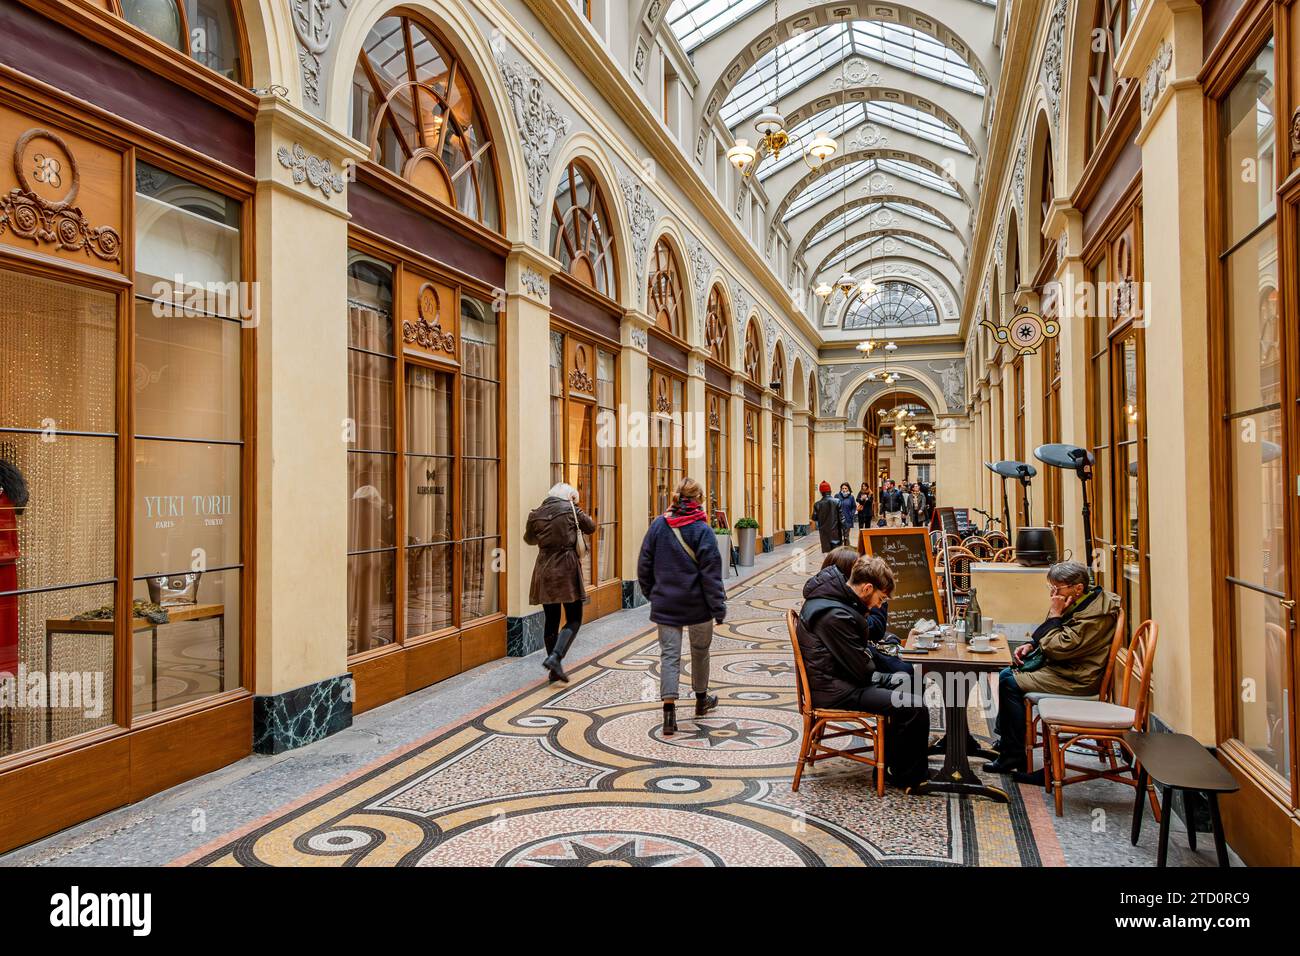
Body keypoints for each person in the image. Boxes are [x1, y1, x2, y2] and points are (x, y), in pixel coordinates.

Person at [795, 555, 929, 789]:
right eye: (881, 598)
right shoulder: (835, 615)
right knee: (914, 705)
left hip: (840, 680)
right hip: (836, 690)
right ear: (867, 588)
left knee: (911, 682)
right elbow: (863, 670)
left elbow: (858, 657)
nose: (879, 605)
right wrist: (882, 670)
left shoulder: (836, 600)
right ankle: (908, 777)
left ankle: (896, 763)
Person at [984, 561, 1121, 777]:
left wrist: (1056, 615)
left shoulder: (1095, 615)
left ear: (1078, 587)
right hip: (1066, 668)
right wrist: (1031, 644)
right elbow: (1053, 635)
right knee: (1008, 673)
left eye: (1058, 588)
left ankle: (1013, 754)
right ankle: (1009, 744)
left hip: (1077, 678)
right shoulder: (1080, 602)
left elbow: (1060, 648)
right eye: (1052, 588)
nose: (1054, 594)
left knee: (1009, 682)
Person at [638, 478, 727, 736]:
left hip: (666, 603)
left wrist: (652, 593)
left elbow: (644, 563)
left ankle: (669, 712)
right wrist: (718, 608)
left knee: (669, 655)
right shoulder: (702, 530)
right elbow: (711, 575)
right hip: (698, 605)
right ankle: (701, 700)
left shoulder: (659, 525)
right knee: (700, 651)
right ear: (698, 499)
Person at [524, 482, 597, 683]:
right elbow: (591, 527)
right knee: (574, 618)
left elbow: (529, 539)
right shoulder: (571, 509)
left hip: (544, 569)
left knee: (551, 619)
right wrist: (575, 506)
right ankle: (556, 657)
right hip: (567, 568)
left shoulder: (535, 513)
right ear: (569, 496)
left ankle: (554, 670)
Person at [811, 481, 843, 552]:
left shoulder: (817, 504)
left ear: (821, 492)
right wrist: (845, 534)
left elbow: (814, 518)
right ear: (830, 491)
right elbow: (842, 519)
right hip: (836, 533)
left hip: (824, 534)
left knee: (827, 554)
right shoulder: (837, 501)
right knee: (836, 553)